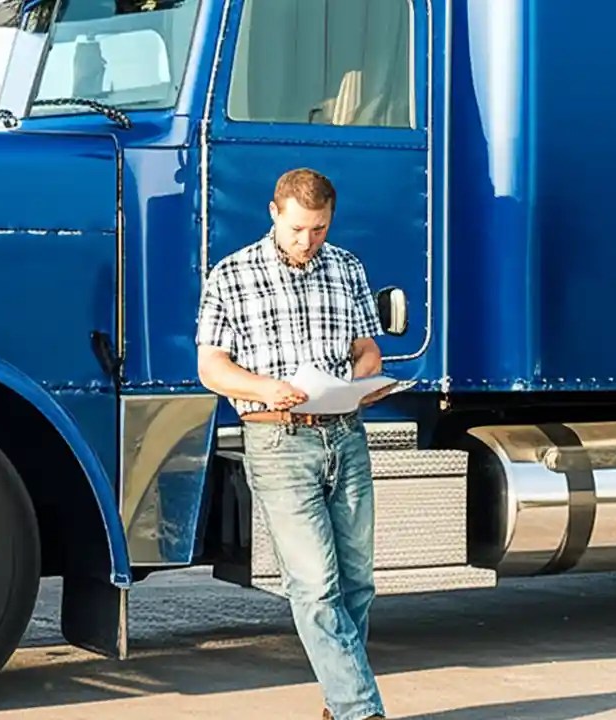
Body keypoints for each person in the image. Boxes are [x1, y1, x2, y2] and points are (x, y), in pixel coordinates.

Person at [195, 168, 387, 720]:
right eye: (299, 228)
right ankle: (360, 711)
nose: (308, 242)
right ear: (274, 212)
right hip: (277, 442)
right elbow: (211, 367)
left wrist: (364, 377)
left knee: (358, 584)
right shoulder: (231, 276)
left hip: (345, 436)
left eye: (320, 229)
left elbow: (366, 348)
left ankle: (338, 700)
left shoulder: (347, 268)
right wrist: (264, 388)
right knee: (315, 586)